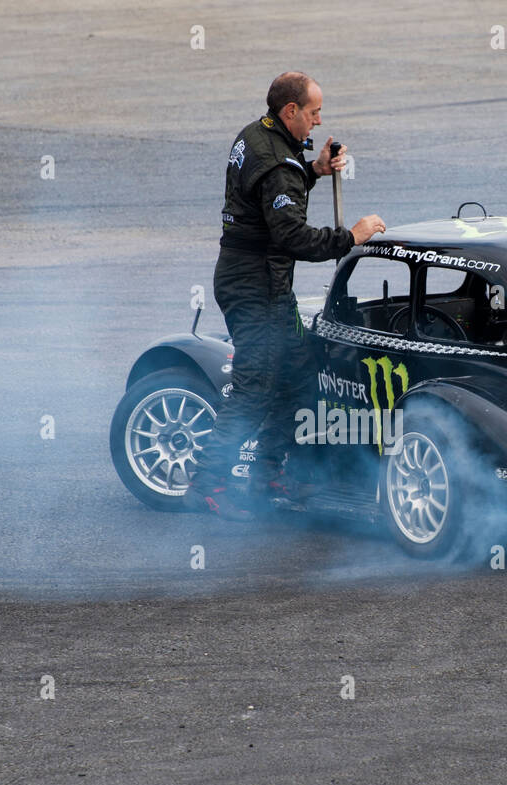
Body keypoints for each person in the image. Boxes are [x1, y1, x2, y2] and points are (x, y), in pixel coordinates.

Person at [186, 71, 386, 520]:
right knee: (254, 388)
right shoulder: (278, 164)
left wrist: (312, 170)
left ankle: (266, 475)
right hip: (253, 287)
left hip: (262, 283)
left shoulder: (257, 134)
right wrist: (350, 237)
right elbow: (293, 235)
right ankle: (205, 485)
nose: (318, 123)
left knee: (297, 376)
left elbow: (276, 191)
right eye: (314, 114)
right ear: (290, 111)